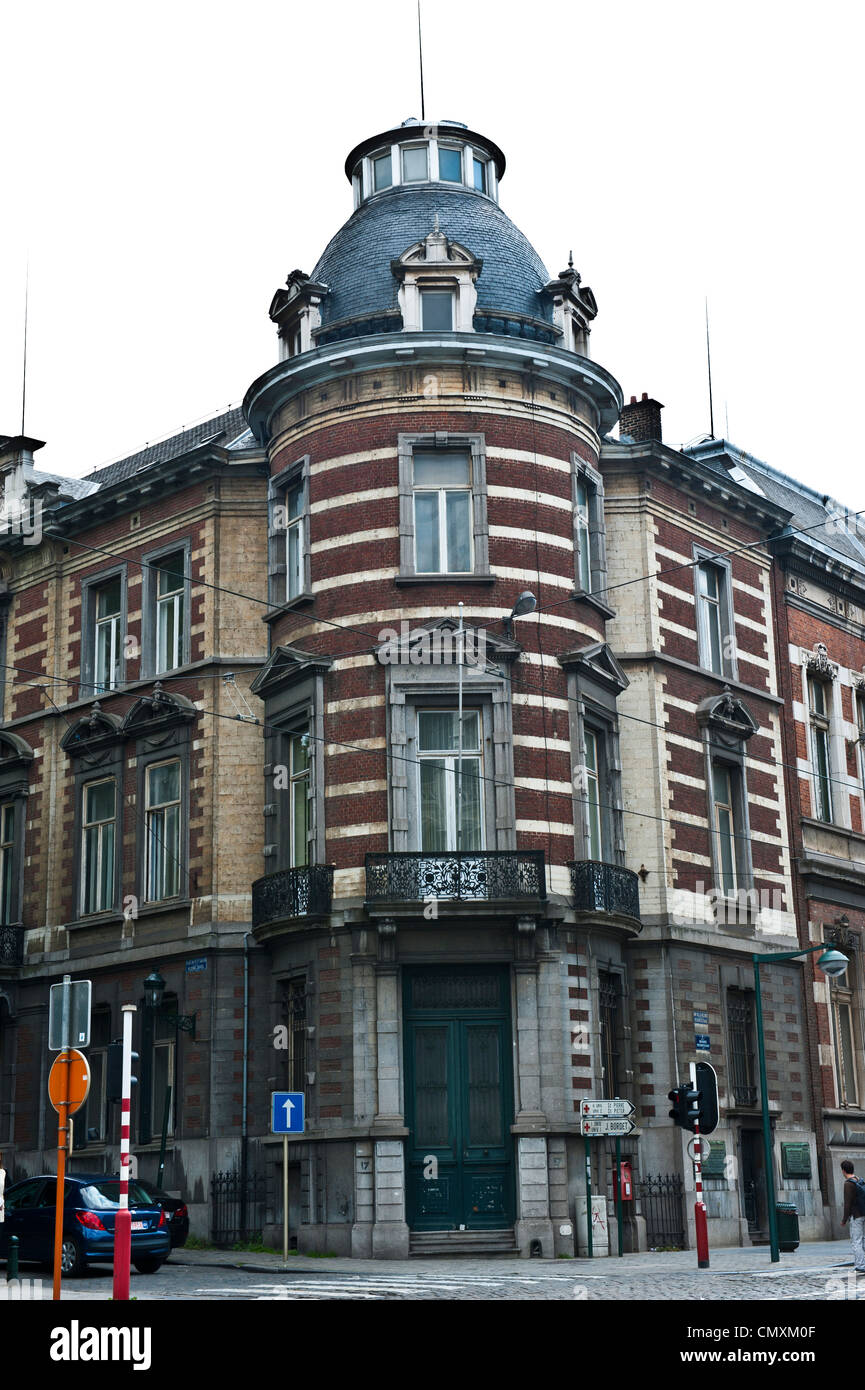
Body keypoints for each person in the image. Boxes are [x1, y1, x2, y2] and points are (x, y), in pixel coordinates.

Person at [840, 1159, 865, 1273]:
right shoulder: (860, 1180)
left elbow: (847, 1204)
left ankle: (860, 1265)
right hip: (863, 1213)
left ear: (843, 1170)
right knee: (863, 1240)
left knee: (856, 1241)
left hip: (856, 1216)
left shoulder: (848, 1184)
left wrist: (844, 1219)